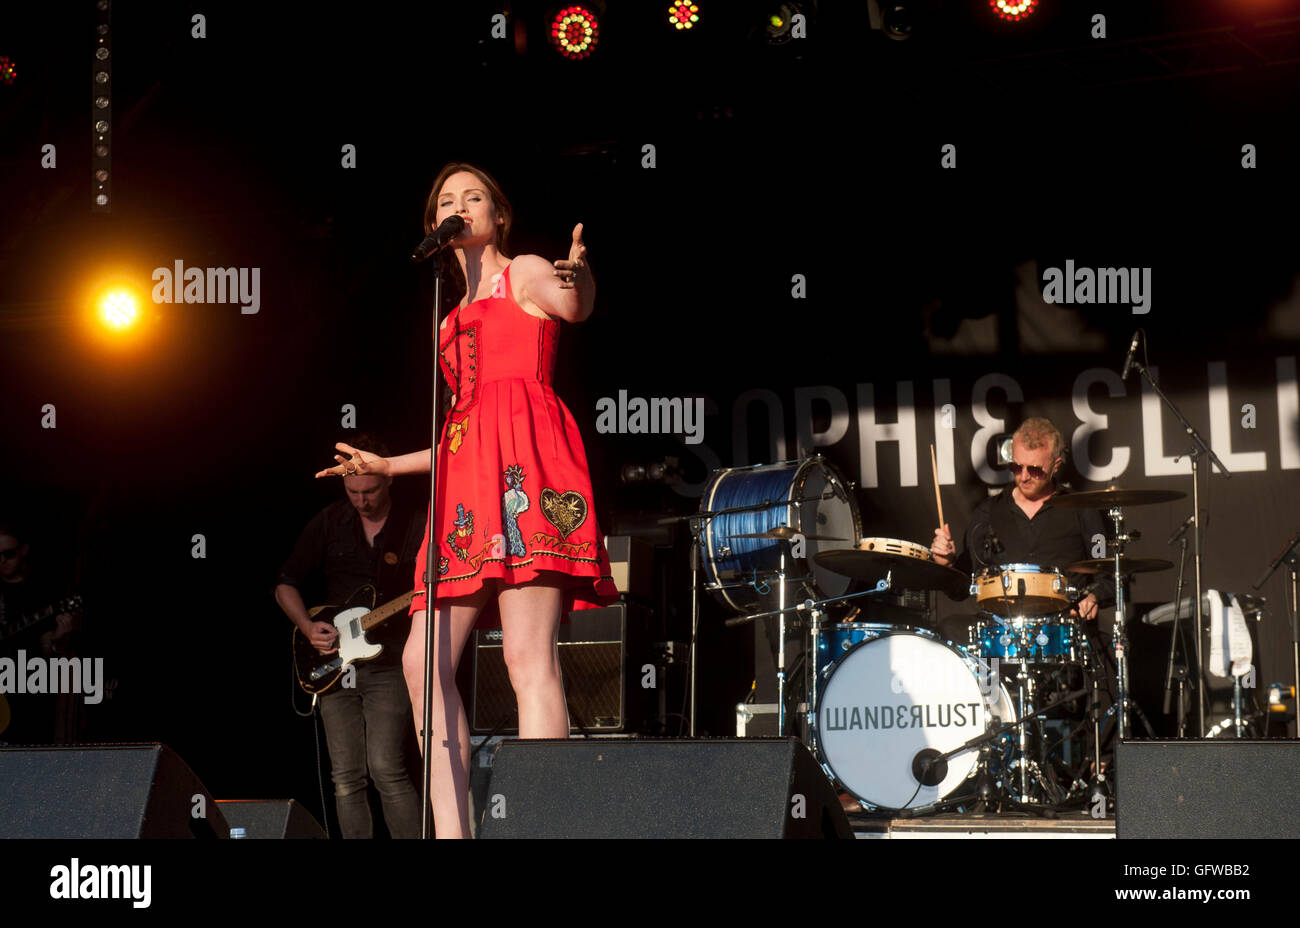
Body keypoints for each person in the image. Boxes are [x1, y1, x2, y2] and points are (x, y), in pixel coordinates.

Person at [315, 163, 618, 839]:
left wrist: (579, 277)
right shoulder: (447, 318)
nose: (459, 206)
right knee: (421, 663)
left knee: (525, 657)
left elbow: (573, 304)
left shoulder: (528, 270)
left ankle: (543, 824)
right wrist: (387, 463)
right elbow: (461, 429)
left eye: (471, 196)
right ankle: (455, 833)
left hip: (529, 470)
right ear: (436, 229)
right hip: (466, 489)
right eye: (445, 202)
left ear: (497, 214)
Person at [930, 417, 1118, 785]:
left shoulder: (1081, 509)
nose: (1024, 475)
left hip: (1065, 630)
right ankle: (976, 766)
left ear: (1056, 465)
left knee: (1108, 661)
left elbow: (1113, 573)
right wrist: (946, 562)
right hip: (1001, 633)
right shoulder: (988, 514)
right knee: (952, 635)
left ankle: (1101, 766)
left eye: (1035, 468)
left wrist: (1095, 594)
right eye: (1016, 466)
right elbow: (962, 585)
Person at [275, 435, 424, 838]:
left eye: (371, 489)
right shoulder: (329, 521)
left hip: (391, 660)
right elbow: (285, 584)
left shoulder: (416, 523)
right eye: (353, 491)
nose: (362, 500)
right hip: (332, 663)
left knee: (387, 769)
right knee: (345, 777)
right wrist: (308, 628)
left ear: (388, 477)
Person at [0, 519, 83, 744]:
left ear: (23, 550)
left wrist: (57, 639)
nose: (2, 561)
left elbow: (47, 645)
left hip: (26, 691)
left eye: (8, 554)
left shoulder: (40, 594)